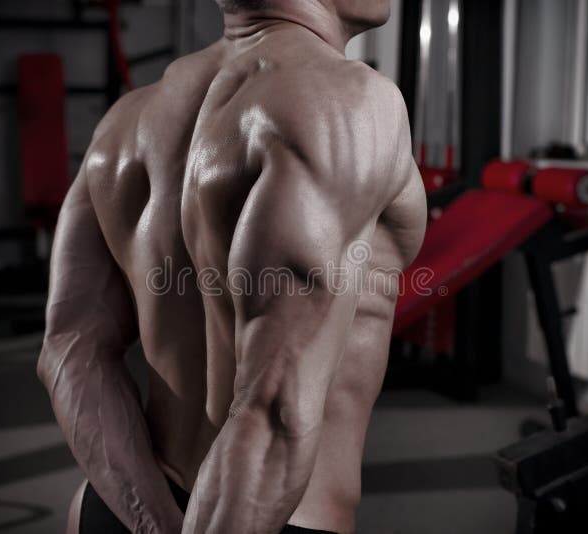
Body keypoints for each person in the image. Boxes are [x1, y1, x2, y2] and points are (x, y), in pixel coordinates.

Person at [36, 0, 427, 532]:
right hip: (270, 517)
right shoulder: (350, 101)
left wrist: (153, 522)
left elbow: (69, 350)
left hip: (118, 509)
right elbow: (276, 408)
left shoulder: (123, 123)